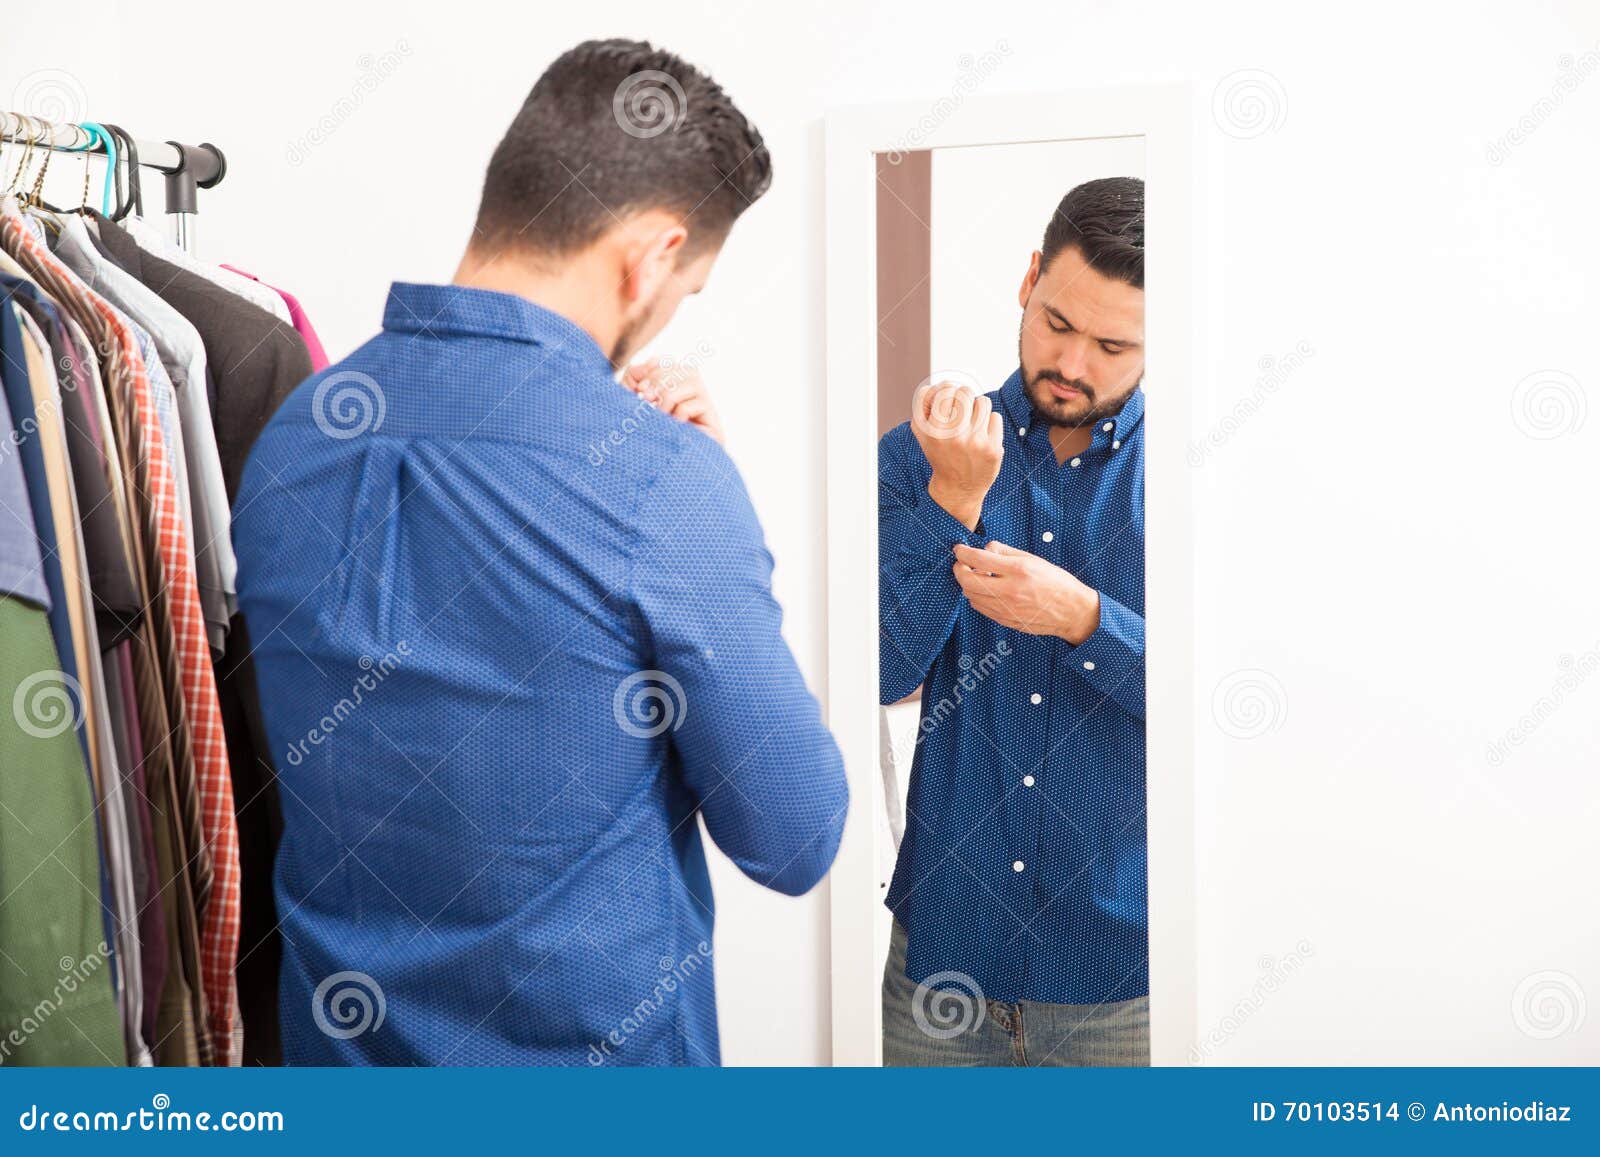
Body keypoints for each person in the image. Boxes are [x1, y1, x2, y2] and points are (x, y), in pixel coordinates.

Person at [232, 38, 848, 1067]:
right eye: (685, 289)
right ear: (652, 253)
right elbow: (794, 837)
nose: (665, 315)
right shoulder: (659, 481)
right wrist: (711, 510)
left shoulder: (296, 432)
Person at [877, 177, 1148, 1066]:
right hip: (941, 968)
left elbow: (1225, 707)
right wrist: (952, 501)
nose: (1073, 363)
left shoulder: (1195, 476)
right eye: (1058, 323)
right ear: (1029, 278)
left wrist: (1084, 620)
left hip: (1122, 978)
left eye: (1112, 345)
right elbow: (877, 669)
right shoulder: (921, 451)